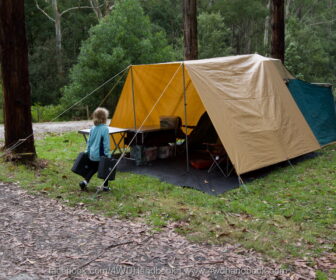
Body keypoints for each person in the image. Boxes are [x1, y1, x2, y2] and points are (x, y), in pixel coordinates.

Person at [79, 107, 111, 191]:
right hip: (100, 154)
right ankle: (105, 187)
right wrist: (108, 154)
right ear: (104, 118)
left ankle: (84, 182)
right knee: (105, 168)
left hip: (92, 154)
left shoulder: (93, 128)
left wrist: (87, 151)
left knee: (93, 168)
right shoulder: (105, 129)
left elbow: (89, 141)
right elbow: (106, 144)